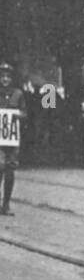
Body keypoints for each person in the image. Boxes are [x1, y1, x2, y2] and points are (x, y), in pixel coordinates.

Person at [0, 63, 27, 216]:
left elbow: (25, 113)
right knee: (0, 166)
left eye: (8, 77)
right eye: (2, 76)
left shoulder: (18, 94)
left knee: (10, 170)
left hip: (12, 138)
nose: (5, 79)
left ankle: (6, 204)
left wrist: (16, 114)